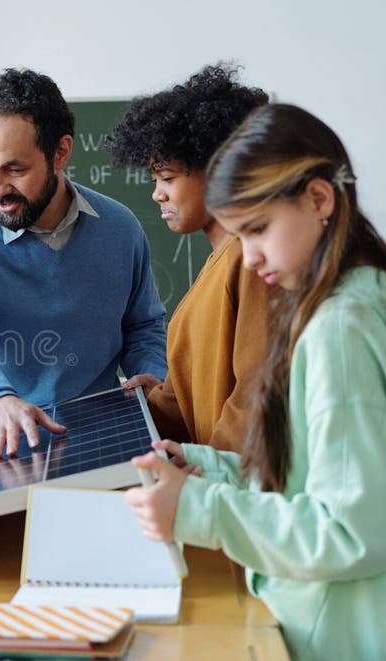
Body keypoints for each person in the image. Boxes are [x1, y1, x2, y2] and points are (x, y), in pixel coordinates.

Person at [125, 104, 386, 659]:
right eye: (239, 237)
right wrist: (210, 467)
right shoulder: (362, 294)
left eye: (259, 229)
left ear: (319, 199)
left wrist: (198, 509)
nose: (249, 258)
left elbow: (349, 531)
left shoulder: (339, 327)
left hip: (335, 636)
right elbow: (316, 477)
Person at [0, 68, 167, 460]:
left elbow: (142, 326)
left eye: (14, 169)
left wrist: (153, 371)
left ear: (61, 152)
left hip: (97, 438)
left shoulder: (121, 229)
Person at [107, 63, 270, 451]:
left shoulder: (250, 261)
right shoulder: (219, 261)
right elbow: (192, 394)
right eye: (154, 180)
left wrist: (206, 472)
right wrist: (158, 400)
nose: (157, 194)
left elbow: (255, 394)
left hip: (232, 479)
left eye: (167, 178)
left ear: (219, 170)